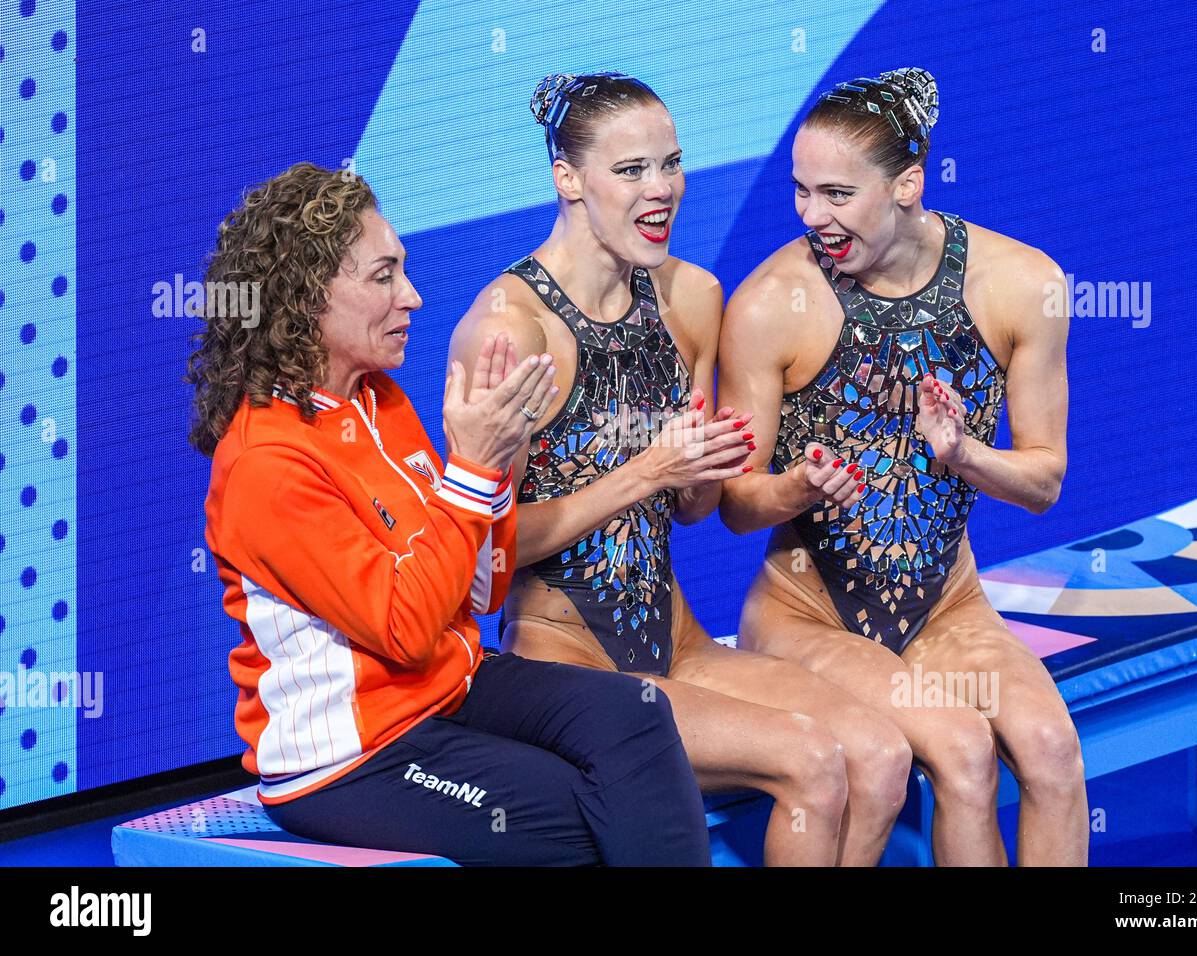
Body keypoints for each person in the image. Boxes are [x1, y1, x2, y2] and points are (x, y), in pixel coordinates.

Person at [188, 161, 711, 866]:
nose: (413, 297)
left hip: (453, 686)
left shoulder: (381, 402)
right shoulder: (265, 464)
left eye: (402, 271)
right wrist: (469, 467)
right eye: (382, 277)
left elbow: (479, 588)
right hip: (355, 754)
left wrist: (495, 464)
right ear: (303, 297)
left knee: (637, 717)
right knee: (577, 809)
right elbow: (404, 629)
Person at [450, 73, 912, 866]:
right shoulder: (511, 332)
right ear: (567, 178)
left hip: (679, 641)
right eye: (630, 171)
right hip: (570, 669)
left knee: (881, 752)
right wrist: (647, 471)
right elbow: (477, 560)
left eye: (671, 164)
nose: (661, 189)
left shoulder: (690, 299)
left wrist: (711, 468)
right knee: (816, 762)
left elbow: (695, 508)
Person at [718, 69, 1087, 865]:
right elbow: (736, 505)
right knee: (961, 749)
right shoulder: (768, 306)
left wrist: (962, 454)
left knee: (1054, 752)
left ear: (909, 185)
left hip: (947, 612)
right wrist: (795, 487)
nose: (814, 216)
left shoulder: (1024, 286)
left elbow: (1045, 481)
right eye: (801, 191)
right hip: (806, 619)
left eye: (838, 194)